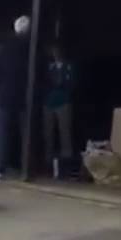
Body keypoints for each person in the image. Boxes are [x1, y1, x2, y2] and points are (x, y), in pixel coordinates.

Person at [0, 16, 32, 180]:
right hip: (26, 97)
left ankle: (0, 168)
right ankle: (25, 168)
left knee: (2, 133)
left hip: (4, 96)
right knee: (25, 133)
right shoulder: (32, 47)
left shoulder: (3, 47)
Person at [42, 43, 77, 177]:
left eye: (58, 51)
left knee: (65, 133)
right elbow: (44, 82)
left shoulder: (68, 66)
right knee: (48, 133)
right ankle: (48, 162)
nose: (55, 53)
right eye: (53, 51)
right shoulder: (48, 67)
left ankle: (66, 164)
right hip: (48, 103)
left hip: (63, 102)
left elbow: (71, 83)